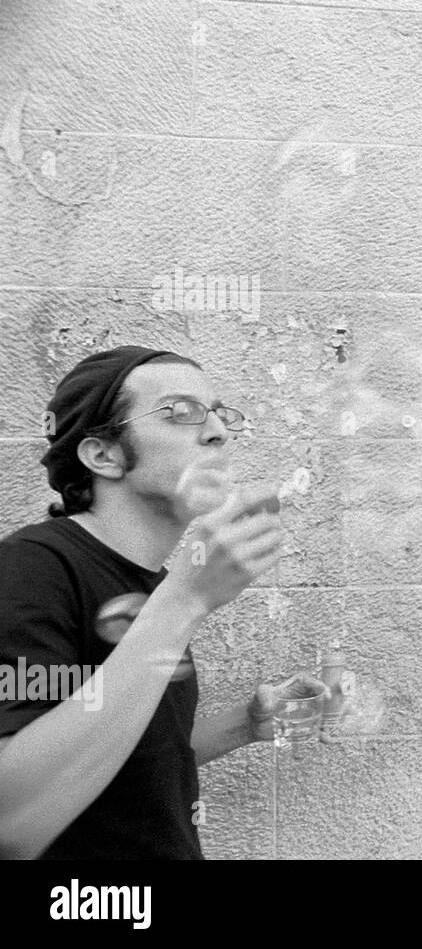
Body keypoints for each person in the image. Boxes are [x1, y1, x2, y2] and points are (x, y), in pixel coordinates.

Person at [0, 346, 287, 859]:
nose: (218, 431)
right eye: (179, 412)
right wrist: (184, 602)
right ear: (104, 456)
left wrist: (244, 724)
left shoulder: (155, 585)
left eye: (220, 412)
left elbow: (122, 764)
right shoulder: (32, 568)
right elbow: (11, 821)